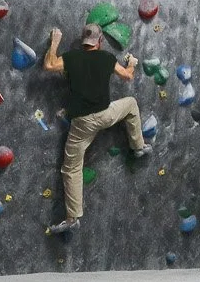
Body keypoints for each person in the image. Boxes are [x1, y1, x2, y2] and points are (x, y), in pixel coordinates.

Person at [42, 23, 148, 235]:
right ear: (99, 41)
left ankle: (72, 218)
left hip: (82, 124)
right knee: (131, 104)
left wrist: (55, 42)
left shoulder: (72, 58)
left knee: (71, 168)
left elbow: (49, 65)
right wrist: (132, 64)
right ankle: (138, 146)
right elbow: (127, 76)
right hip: (105, 115)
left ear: (83, 42)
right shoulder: (107, 58)